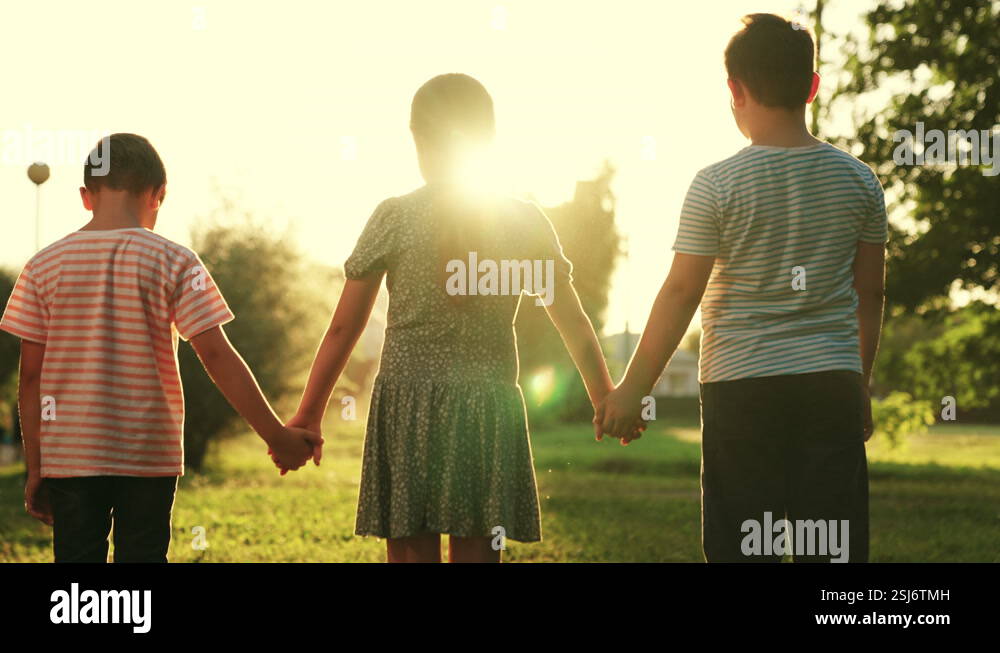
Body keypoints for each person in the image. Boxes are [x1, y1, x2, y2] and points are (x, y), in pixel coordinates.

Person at [286, 73, 623, 562]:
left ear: (417, 139)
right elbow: (571, 320)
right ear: (488, 139)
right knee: (478, 550)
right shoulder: (524, 221)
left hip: (407, 405)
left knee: (410, 548)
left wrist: (309, 415)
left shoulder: (394, 216)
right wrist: (604, 396)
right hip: (487, 407)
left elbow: (344, 328)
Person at [597, 14, 888, 562]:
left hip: (742, 391)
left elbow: (682, 292)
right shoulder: (859, 181)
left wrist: (631, 392)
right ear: (813, 86)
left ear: (735, 90)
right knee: (831, 549)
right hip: (829, 386)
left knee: (743, 546)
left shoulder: (716, 184)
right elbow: (869, 295)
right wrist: (859, 382)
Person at [0, 133, 321, 563]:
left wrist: (37, 465)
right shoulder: (175, 260)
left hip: (70, 458)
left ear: (85, 196)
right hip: (147, 453)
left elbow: (32, 378)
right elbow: (216, 355)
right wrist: (277, 436)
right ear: (159, 195)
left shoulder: (42, 266)